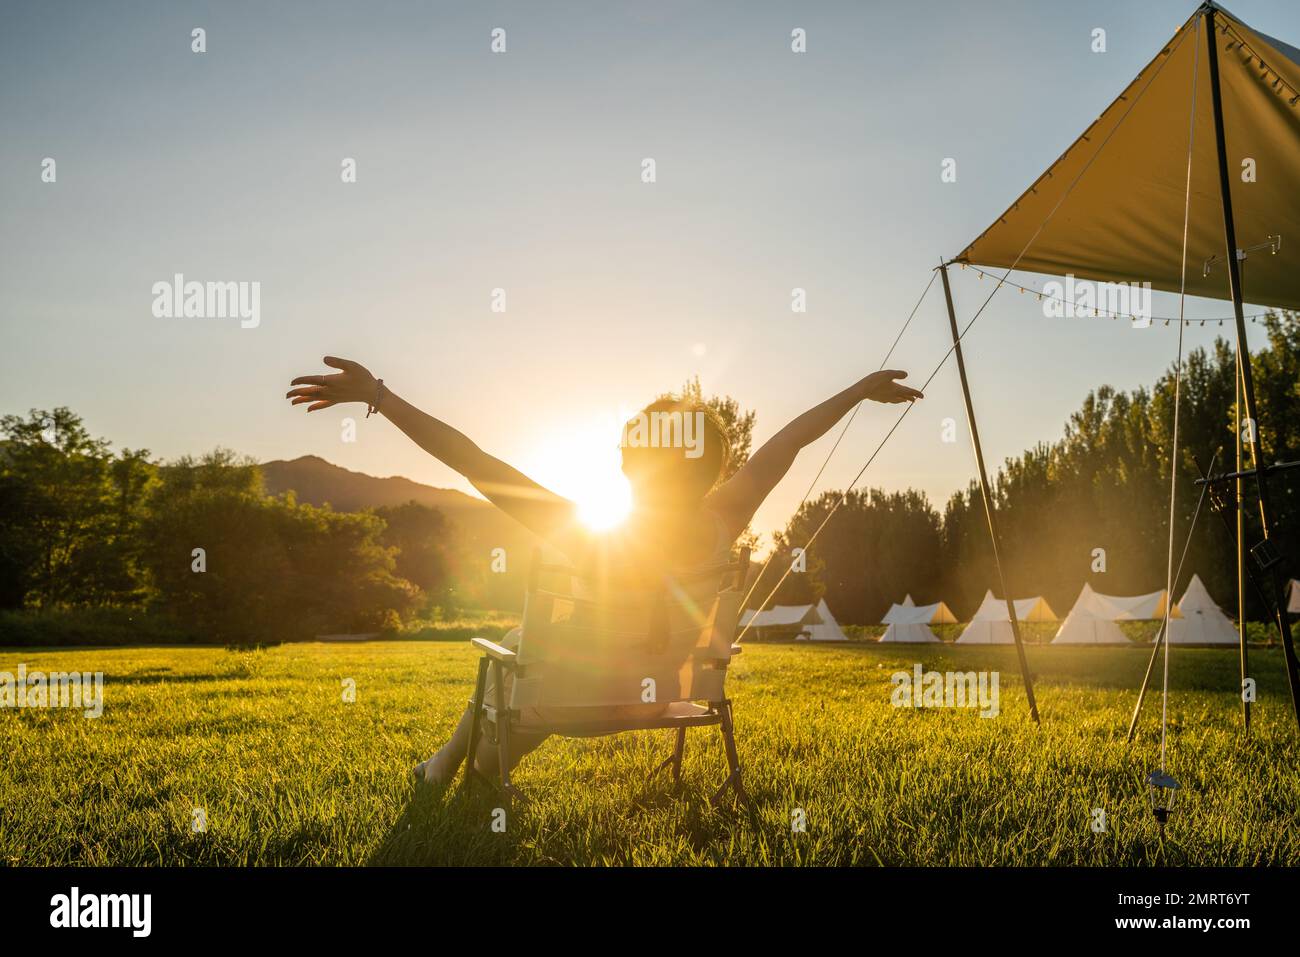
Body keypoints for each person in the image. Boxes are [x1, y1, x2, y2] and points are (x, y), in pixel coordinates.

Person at [286, 356, 922, 784]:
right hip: (671, 699)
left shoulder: (586, 526)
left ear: (634, 461)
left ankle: (451, 770)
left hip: (568, 704)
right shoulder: (724, 516)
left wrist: (379, 397)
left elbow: (471, 461)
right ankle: (451, 769)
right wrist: (860, 390)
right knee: (527, 653)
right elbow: (789, 442)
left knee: (514, 653)